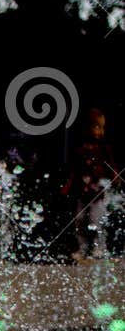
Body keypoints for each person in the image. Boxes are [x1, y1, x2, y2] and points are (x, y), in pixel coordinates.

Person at [64, 108, 119, 261]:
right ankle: (83, 248)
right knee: (80, 220)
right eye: (94, 127)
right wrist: (69, 186)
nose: (97, 131)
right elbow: (74, 171)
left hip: (98, 191)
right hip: (82, 191)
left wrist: (114, 177)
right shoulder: (79, 150)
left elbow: (111, 166)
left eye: (99, 127)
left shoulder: (103, 149)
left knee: (97, 220)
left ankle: (99, 247)